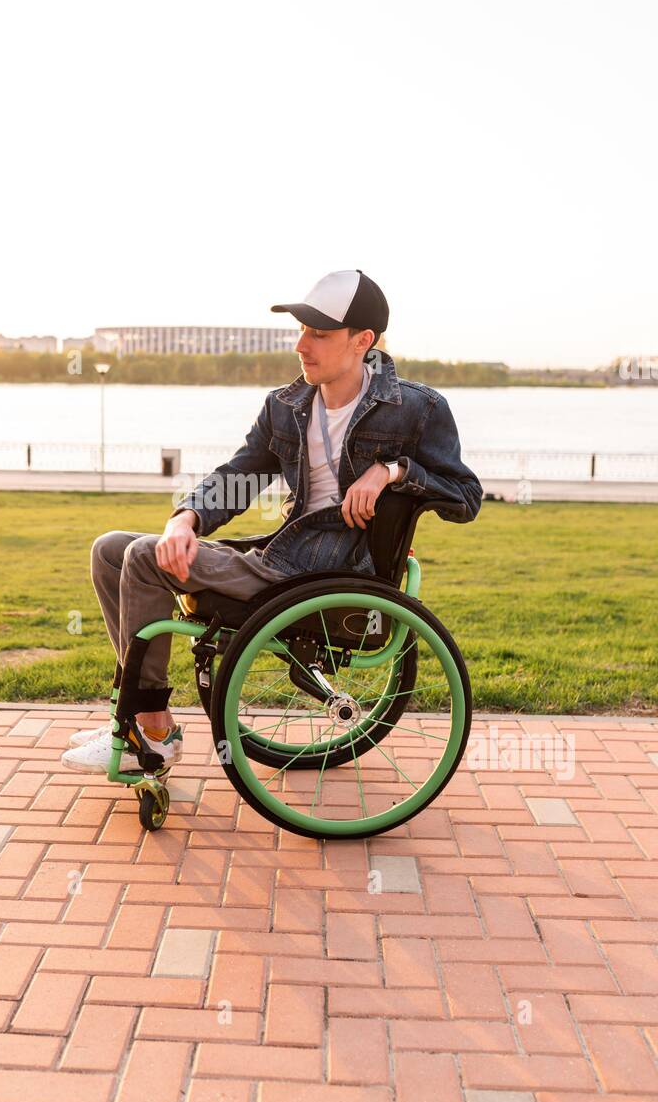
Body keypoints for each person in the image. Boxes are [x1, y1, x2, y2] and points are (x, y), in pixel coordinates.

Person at [62, 269, 482, 773]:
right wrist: (186, 519)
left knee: (141, 557)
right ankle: (138, 719)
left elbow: (465, 497)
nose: (301, 346)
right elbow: (239, 476)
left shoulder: (416, 409)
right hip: (281, 559)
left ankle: (151, 732)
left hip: (330, 576)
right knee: (110, 547)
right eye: (301, 332)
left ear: (362, 341)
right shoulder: (286, 406)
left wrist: (393, 471)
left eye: (319, 335)